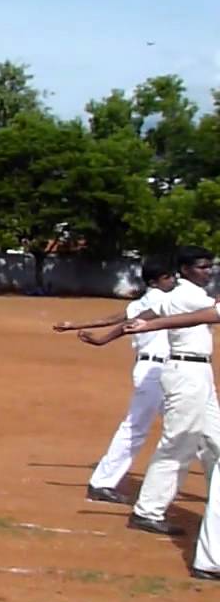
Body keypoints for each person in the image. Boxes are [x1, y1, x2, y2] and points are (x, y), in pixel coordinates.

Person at [76, 246, 220, 537]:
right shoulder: (187, 296)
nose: (209, 272)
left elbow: (139, 318)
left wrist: (104, 338)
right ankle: (148, 510)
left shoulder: (179, 296)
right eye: (202, 267)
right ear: (185, 270)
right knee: (177, 444)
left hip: (197, 372)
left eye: (210, 266)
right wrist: (112, 333)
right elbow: (211, 313)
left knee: (214, 440)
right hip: (185, 372)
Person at [53, 262, 178, 503]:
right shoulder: (161, 301)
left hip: (162, 369)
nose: (172, 280)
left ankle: (103, 482)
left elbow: (113, 318)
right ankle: (102, 482)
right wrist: (101, 340)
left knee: (191, 425)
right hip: (155, 369)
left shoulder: (144, 301)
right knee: (137, 428)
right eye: (168, 277)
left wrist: (75, 325)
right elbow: (124, 323)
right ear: (155, 281)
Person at [123, 305, 220, 580]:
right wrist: (148, 326)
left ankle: (212, 559)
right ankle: (212, 560)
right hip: (185, 373)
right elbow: (207, 314)